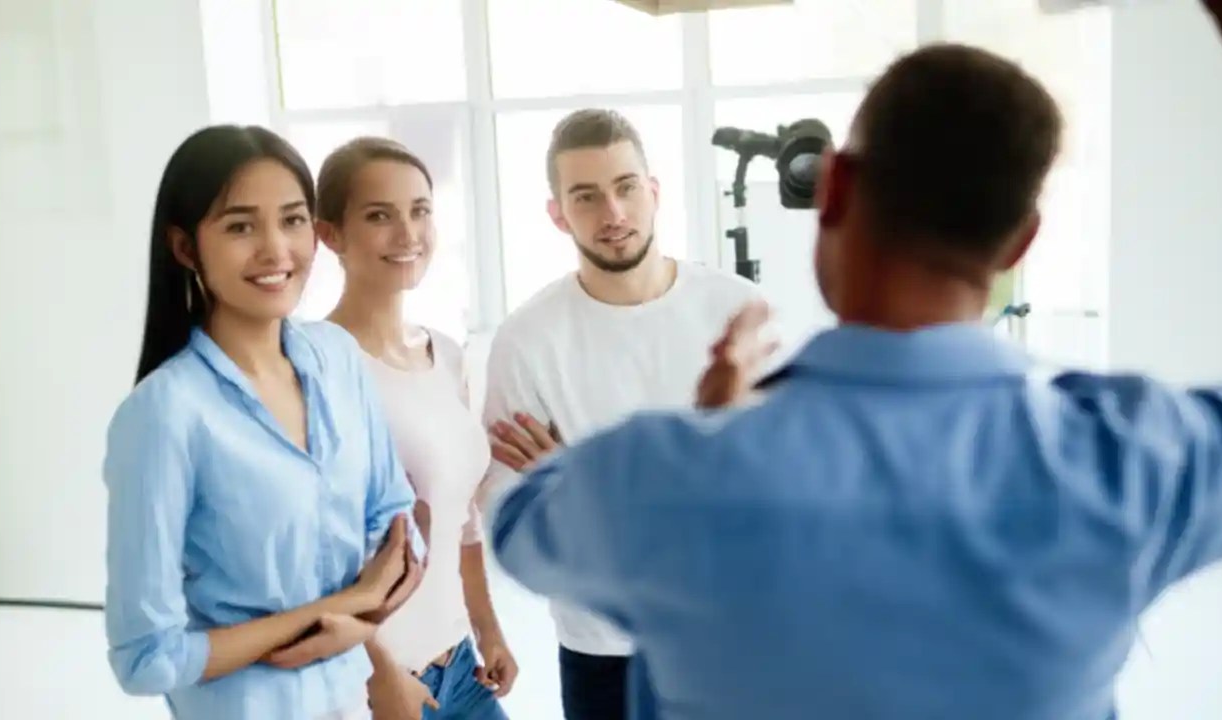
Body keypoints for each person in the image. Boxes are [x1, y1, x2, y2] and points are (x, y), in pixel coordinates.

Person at [487, 44, 1222, 720]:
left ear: (835, 186)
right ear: (1020, 240)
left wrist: (706, 433)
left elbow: (522, 526)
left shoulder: (665, 478)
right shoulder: (1134, 460)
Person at [103, 125, 427, 720]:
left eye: (294, 220)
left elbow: (400, 531)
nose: (277, 250)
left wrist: (356, 628)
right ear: (185, 247)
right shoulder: (163, 414)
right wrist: (336, 613)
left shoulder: (336, 358)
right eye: (240, 226)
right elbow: (146, 657)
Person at [481, 108, 762, 720]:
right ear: (557, 213)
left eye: (626, 187)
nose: (613, 214)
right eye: (586, 196)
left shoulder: (737, 310)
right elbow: (511, 522)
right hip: (600, 650)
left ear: (653, 191)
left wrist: (580, 484)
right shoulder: (527, 341)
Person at [315, 136, 517, 720]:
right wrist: (380, 674)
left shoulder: (447, 354)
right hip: (381, 682)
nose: (408, 234)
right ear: (331, 234)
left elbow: (463, 518)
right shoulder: (321, 365)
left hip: (460, 664)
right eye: (380, 216)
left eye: (420, 210)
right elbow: (315, 555)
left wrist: (487, 628)